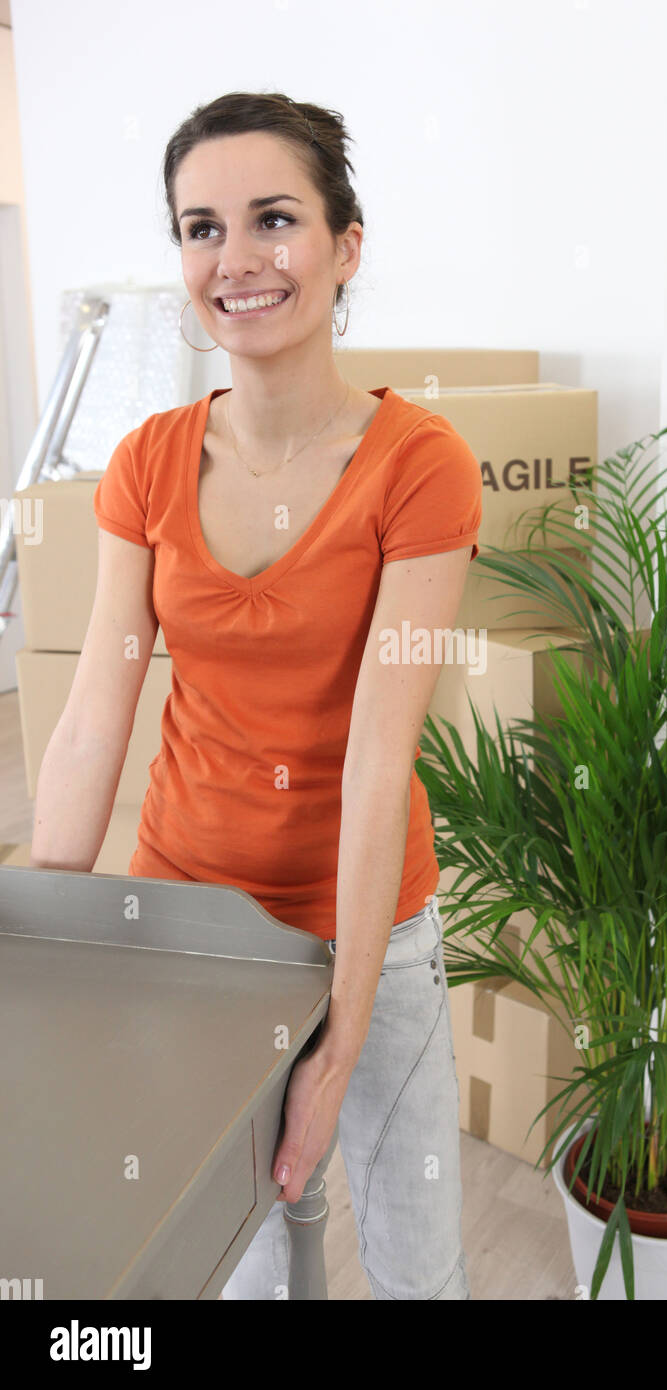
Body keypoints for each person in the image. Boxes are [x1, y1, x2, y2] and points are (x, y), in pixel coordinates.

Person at [29, 91, 481, 1300]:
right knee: (238, 1267)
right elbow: (91, 724)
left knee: (416, 1263)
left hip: (370, 937)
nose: (235, 260)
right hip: (193, 931)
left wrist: (335, 1032)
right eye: (200, 228)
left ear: (344, 244)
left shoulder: (417, 464)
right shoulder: (148, 462)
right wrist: (40, 957)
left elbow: (380, 762)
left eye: (272, 218)